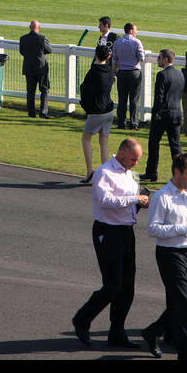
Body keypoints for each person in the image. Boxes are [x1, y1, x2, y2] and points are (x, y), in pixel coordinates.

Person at [71, 137, 149, 349]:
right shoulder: (104, 172)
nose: (136, 163)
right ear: (122, 153)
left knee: (127, 287)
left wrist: (141, 202)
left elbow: (129, 202)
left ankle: (117, 332)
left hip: (126, 231)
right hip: (108, 232)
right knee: (113, 284)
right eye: (134, 159)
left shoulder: (131, 174)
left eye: (138, 160)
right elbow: (105, 201)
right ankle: (82, 319)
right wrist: (134, 199)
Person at [143, 153, 187, 359]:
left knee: (184, 302)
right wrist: (181, 228)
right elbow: (153, 229)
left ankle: (153, 331)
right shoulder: (162, 196)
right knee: (181, 304)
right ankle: (185, 352)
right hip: (170, 254)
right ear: (177, 171)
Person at [142, 49, 184, 183]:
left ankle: (151, 172)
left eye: (159, 58)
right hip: (176, 113)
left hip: (163, 114)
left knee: (154, 143)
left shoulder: (162, 75)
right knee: (175, 145)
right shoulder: (180, 75)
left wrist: (155, 114)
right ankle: (181, 174)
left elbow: (159, 98)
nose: (157, 60)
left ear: (166, 59)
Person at [78, 43, 117, 184]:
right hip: (109, 109)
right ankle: (105, 174)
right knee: (104, 142)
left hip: (96, 111)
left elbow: (84, 89)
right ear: (109, 56)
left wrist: (86, 107)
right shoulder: (109, 71)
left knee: (86, 139)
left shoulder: (93, 72)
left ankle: (89, 171)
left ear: (96, 55)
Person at [112, 22, 145, 130]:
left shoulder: (117, 43)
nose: (136, 32)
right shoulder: (137, 42)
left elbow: (114, 60)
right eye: (135, 30)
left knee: (122, 99)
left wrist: (113, 73)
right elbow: (141, 58)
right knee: (134, 99)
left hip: (121, 73)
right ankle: (133, 123)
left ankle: (121, 122)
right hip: (134, 72)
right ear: (130, 30)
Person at [19, 19, 52, 119]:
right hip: (41, 67)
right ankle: (43, 112)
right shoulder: (42, 38)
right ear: (39, 28)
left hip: (28, 67)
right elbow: (49, 50)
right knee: (44, 90)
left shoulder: (23, 38)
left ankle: (31, 112)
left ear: (30, 27)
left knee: (30, 91)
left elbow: (22, 51)